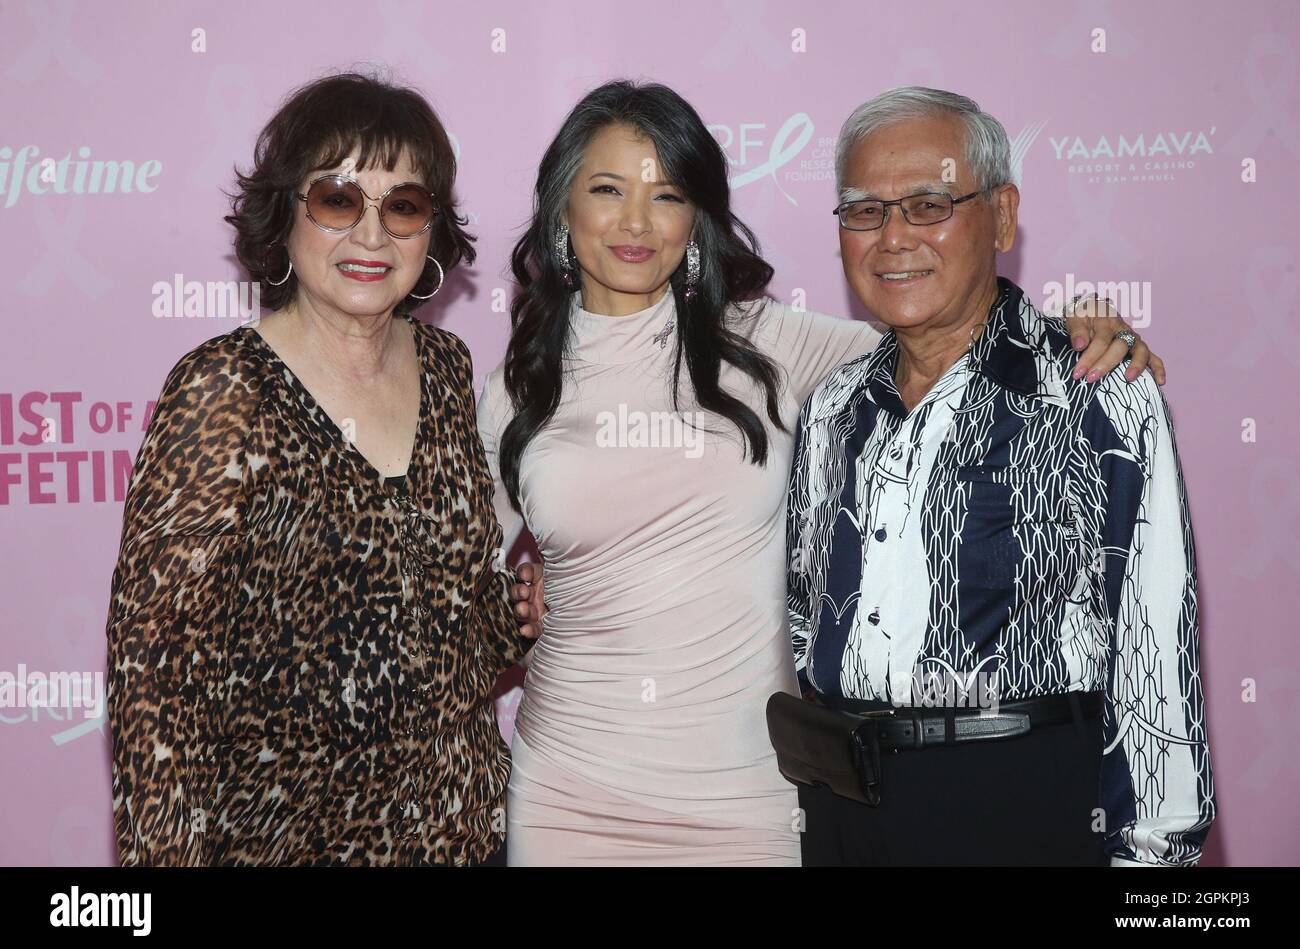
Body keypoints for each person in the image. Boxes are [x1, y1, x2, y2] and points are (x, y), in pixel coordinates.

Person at [481, 80, 1162, 865]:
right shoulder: (513, 394)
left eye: (666, 195)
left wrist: (1074, 324)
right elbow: (457, 597)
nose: (636, 222)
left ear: (694, 219)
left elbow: (952, 341)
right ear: (562, 208)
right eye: (607, 189)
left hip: (748, 793)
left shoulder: (769, 343)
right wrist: (517, 612)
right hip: (570, 786)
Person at [106, 72, 533, 866]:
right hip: (285, 845)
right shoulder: (225, 389)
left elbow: (446, 636)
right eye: (339, 199)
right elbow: (157, 682)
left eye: (403, 205)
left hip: (463, 836)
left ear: (431, 231)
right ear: (286, 214)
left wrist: (514, 617)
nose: (372, 237)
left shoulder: (446, 366)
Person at [780, 86, 1214, 865]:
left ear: (1004, 217)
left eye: (928, 204)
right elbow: (809, 616)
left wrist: (1158, 863)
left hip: (1024, 803)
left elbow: (1152, 646)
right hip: (843, 805)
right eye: (864, 211)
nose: (893, 238)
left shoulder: (1096, 388)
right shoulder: (832, 407)